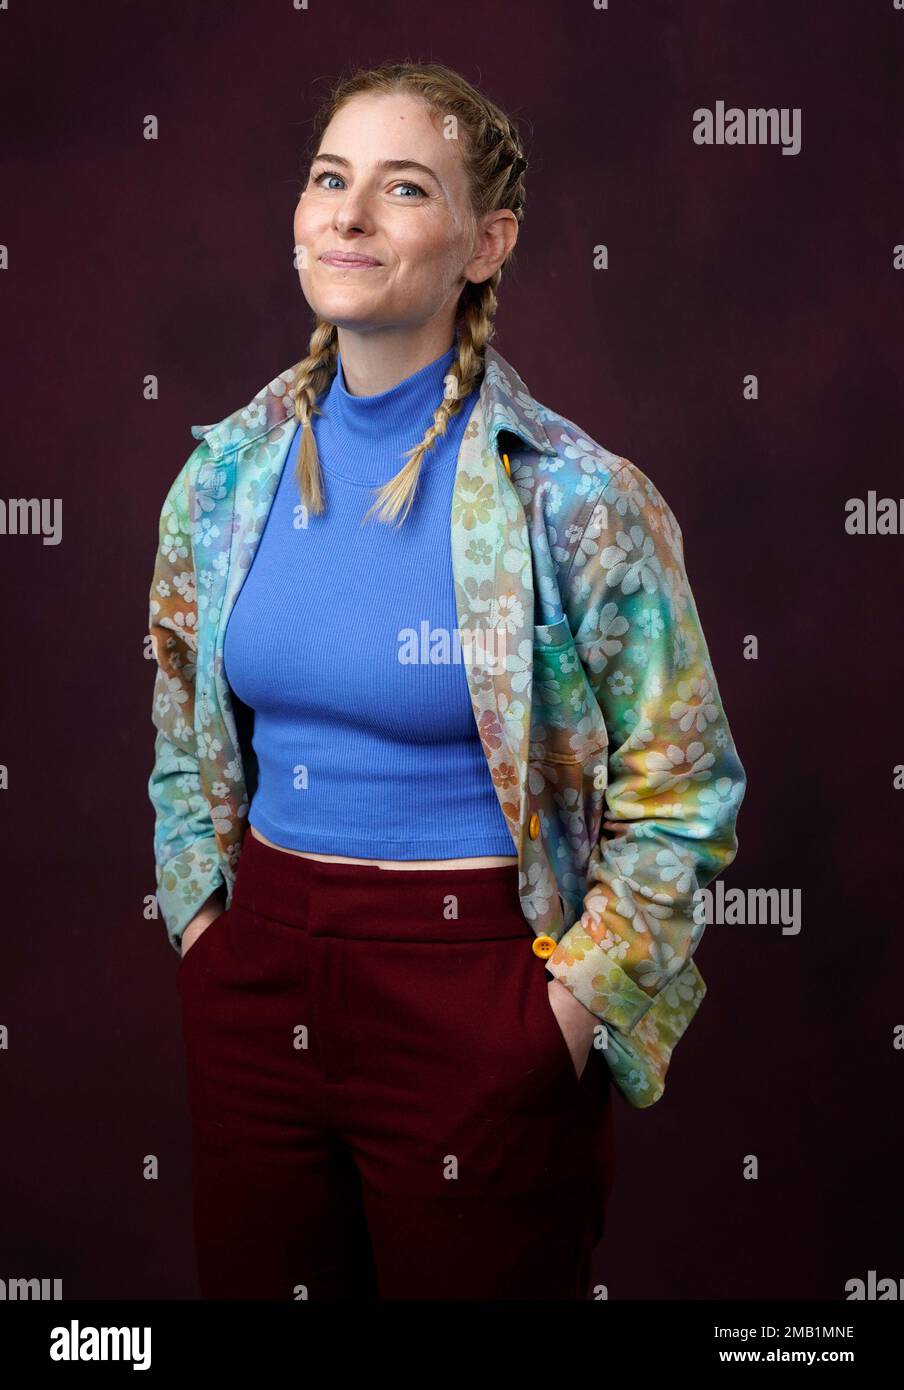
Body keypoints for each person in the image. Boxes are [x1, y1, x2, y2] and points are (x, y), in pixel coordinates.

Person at [147, 60, 747, 1301]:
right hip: (258, 979)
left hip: (477, 990)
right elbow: (174, 719)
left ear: (488, 242)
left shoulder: (572, 497)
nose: (349, 216)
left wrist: (563, 1019)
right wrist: (206, 930)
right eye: (330, 179)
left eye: (403, 187)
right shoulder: (220, 480)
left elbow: (684, 794)